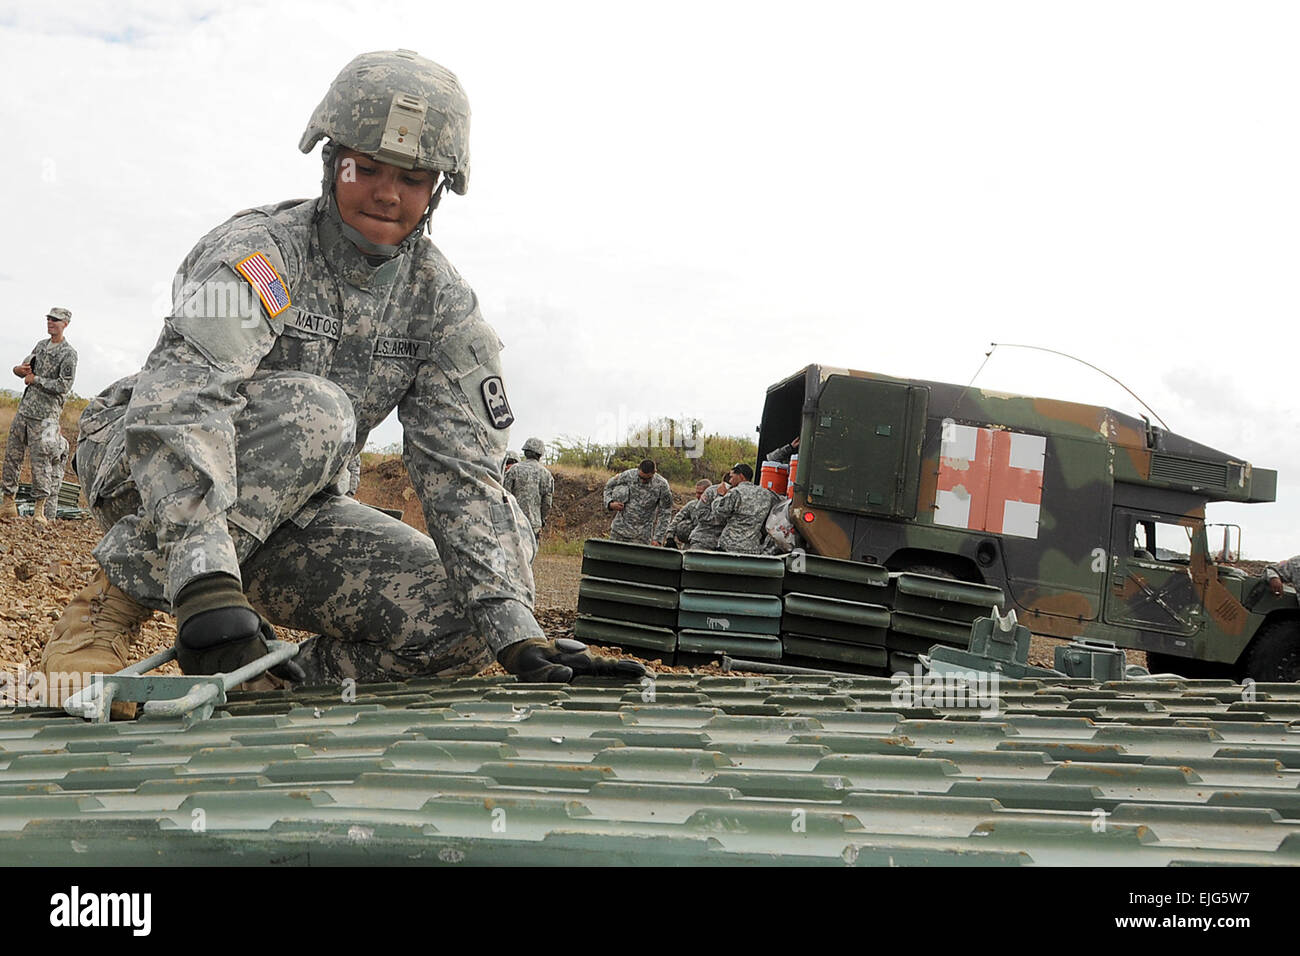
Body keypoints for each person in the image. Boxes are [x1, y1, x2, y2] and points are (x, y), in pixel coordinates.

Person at [41, 50, 644, 701]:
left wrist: (520, 638)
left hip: (289, 508)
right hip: (144, 465)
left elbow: (465, 475)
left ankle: (266, 677)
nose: (387, 192)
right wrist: (206, 586)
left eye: (412, 178)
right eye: (368, 168)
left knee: (466, 622)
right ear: (332, 163)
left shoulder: (442, 308)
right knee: (319, 414)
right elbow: (183, 405)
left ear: (439, 187)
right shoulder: (261, 254)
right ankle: (109, 607)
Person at [1, 307, 77, 526]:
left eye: (55, 320)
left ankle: (40, 512)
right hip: (25, 412)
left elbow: (64, 386)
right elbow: (23, 369)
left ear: (65, 324)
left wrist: (36, 380)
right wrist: (18, 370)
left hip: (47, 418)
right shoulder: (41, 346)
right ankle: (8, 504)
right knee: (12, 457)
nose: (50, 322)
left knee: (41, 462)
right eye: (49, 318)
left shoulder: (69, 354)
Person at [603, 458, 673, 546]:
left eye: (647, 479)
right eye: (641, 477)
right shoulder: (628, 475)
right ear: (638, 469)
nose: (643, 481)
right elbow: (608, 486)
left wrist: (658, 538)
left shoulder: (662, 485)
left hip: (642, 536)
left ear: (654, 472)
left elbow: (665, 513)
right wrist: (610, 504)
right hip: (619, 530)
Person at [712, 462, 778, 554]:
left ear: (741, 476)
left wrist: (720, 495)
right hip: (752, 547)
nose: (730, 481)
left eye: (732, 477)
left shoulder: (736, 492)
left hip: (730, 546)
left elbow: (719, 511)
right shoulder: (766, 494)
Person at [503, 436, 553, 549]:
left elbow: (505, 495)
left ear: (525, 452)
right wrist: (542, 519)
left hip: (513, 521)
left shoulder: (513, 470)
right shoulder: (546, 474)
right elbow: (547, 503)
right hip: (533, 524)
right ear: (540, 454)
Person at [686, 469, 732, 551]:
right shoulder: (711, 491)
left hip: (724, 544)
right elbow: (701, 515)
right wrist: (721, 520)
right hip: (703, 540)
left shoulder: (737, 494)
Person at [665, 479, 711, 548]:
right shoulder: (692, 505)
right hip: (691, 544)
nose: (698, 496)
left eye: (701, 493)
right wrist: (670, 537)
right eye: (697, 493)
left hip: (710, 545)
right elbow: (678, 518)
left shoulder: (717, 507)